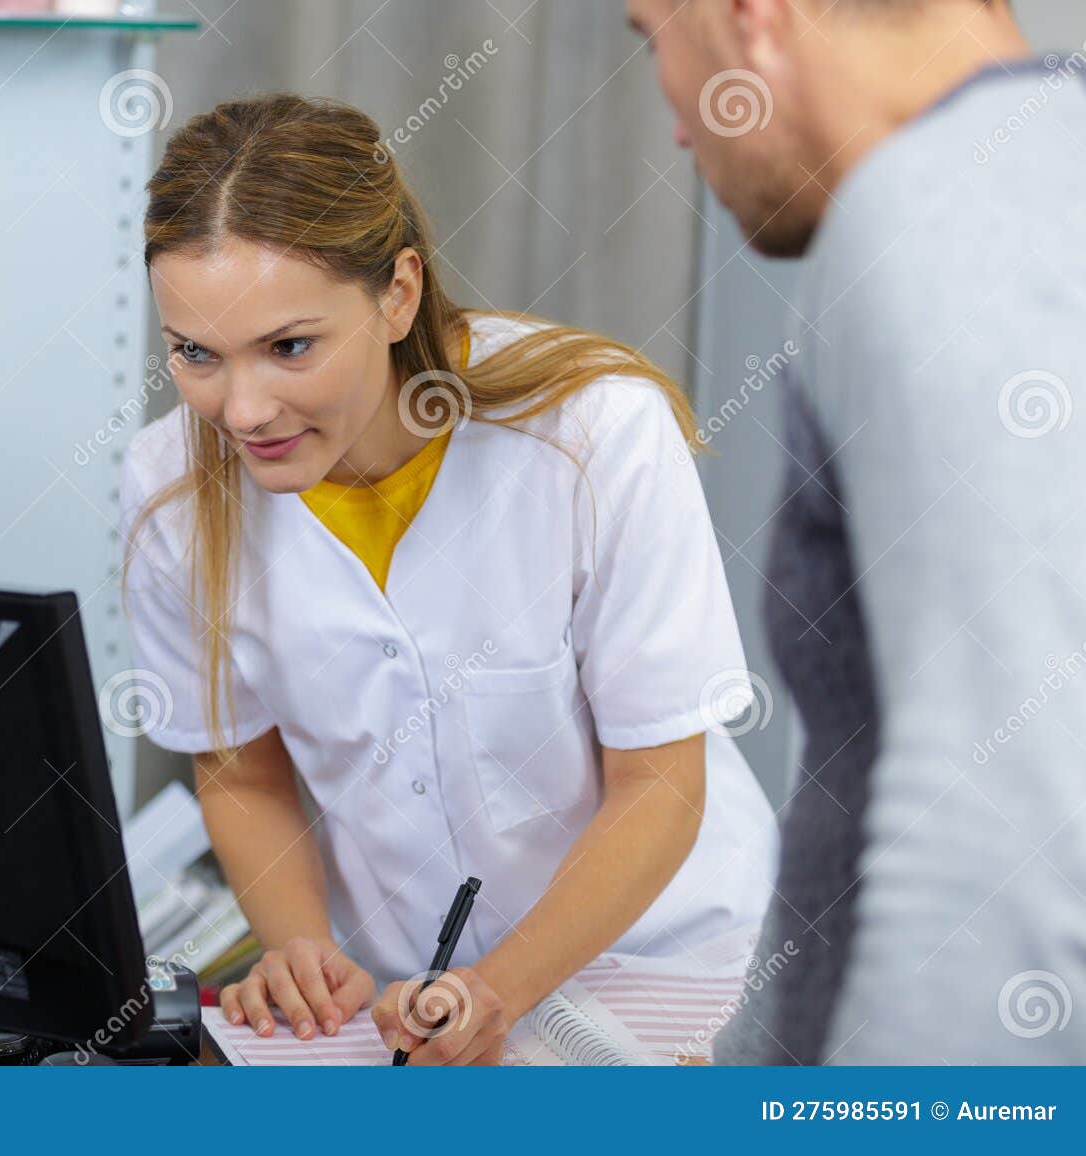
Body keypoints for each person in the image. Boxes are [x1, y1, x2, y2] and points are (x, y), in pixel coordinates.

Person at [117, 93, 777, 1066]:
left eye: (289, 346)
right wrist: (300, 947)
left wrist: (499, 990)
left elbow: (660, 783)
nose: (243, 408)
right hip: (408, 999)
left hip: (669, 966)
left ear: (397, 292)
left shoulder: (595, 433)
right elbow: (238, 767)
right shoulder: (169, 488)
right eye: (195, 355)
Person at [627, 0, 1086, 1063]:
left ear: (750, 19)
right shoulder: (1039, 172)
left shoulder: (935, 216)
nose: (677, 124)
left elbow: (999, 836)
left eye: (654, 39)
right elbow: (857, 780)